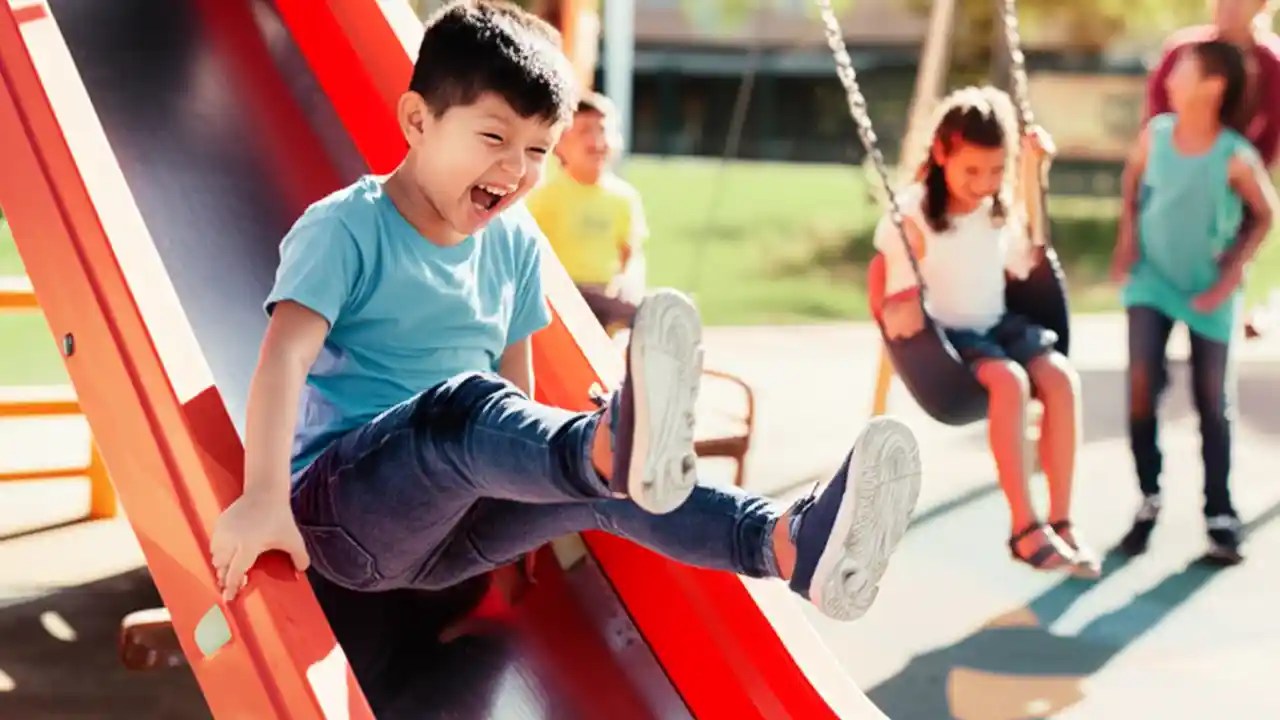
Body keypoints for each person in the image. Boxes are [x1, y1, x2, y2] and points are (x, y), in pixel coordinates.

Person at [205, 0, 923, 709]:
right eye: (494, 137)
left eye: (539, 151)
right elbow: (283, 361)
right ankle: (604, 448)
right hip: (347, 516)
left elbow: (510, 408)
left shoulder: (516, 246)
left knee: (604, 490)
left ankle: (789, 546)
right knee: (469, 414)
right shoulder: (347, 228)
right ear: (418, 121)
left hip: (452, 545)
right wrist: (265, 496)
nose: (517, 169)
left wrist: (521, 525)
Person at [875, 86, 1098, 578]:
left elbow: (1026, 260)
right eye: (971, 170)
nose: (984, 183)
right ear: (941, 154)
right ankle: (1024, 526)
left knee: (1060, 378)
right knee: (1009, 382)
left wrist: (1031, 176)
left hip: (1000, 325)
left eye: (996, 170)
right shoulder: (911, 213)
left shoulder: (996, 205)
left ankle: (1062, 519)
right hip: (952, 340)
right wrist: (903, 275)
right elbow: (897, 307)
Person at [1113, 39, 1278, 565]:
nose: (1170, 77)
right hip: (1151, 282)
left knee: (1212, 402)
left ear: (1214, 86)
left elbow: (1263, 214)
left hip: (1207, 290)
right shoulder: (1155, 136)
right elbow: (1133, 184)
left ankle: (1219, 513)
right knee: (1141, 385)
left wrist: (1232, 274)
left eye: (1182, 70)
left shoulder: (1234, 155)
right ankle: (1148, 497)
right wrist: (1126, 240)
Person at [1145, 0, 1280, 339]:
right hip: (1177, 166)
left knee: (1248, 224)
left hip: (1239, 172)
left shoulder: (1271, 63)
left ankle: (1235, 302)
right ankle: (1161, 308)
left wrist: (1236, 171)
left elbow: (1273, 132)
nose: (1226, 7)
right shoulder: (1183, 49)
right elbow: (1157, 112)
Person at [527, 91, 647, 332]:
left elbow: (630, 257)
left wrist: (626, 286)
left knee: (652, 314)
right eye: (584, 132)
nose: (596, 142)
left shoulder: (624, 198)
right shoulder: (544, 198)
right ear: (559, 143)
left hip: (607, 297)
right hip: (561, 301)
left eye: (602, 130)